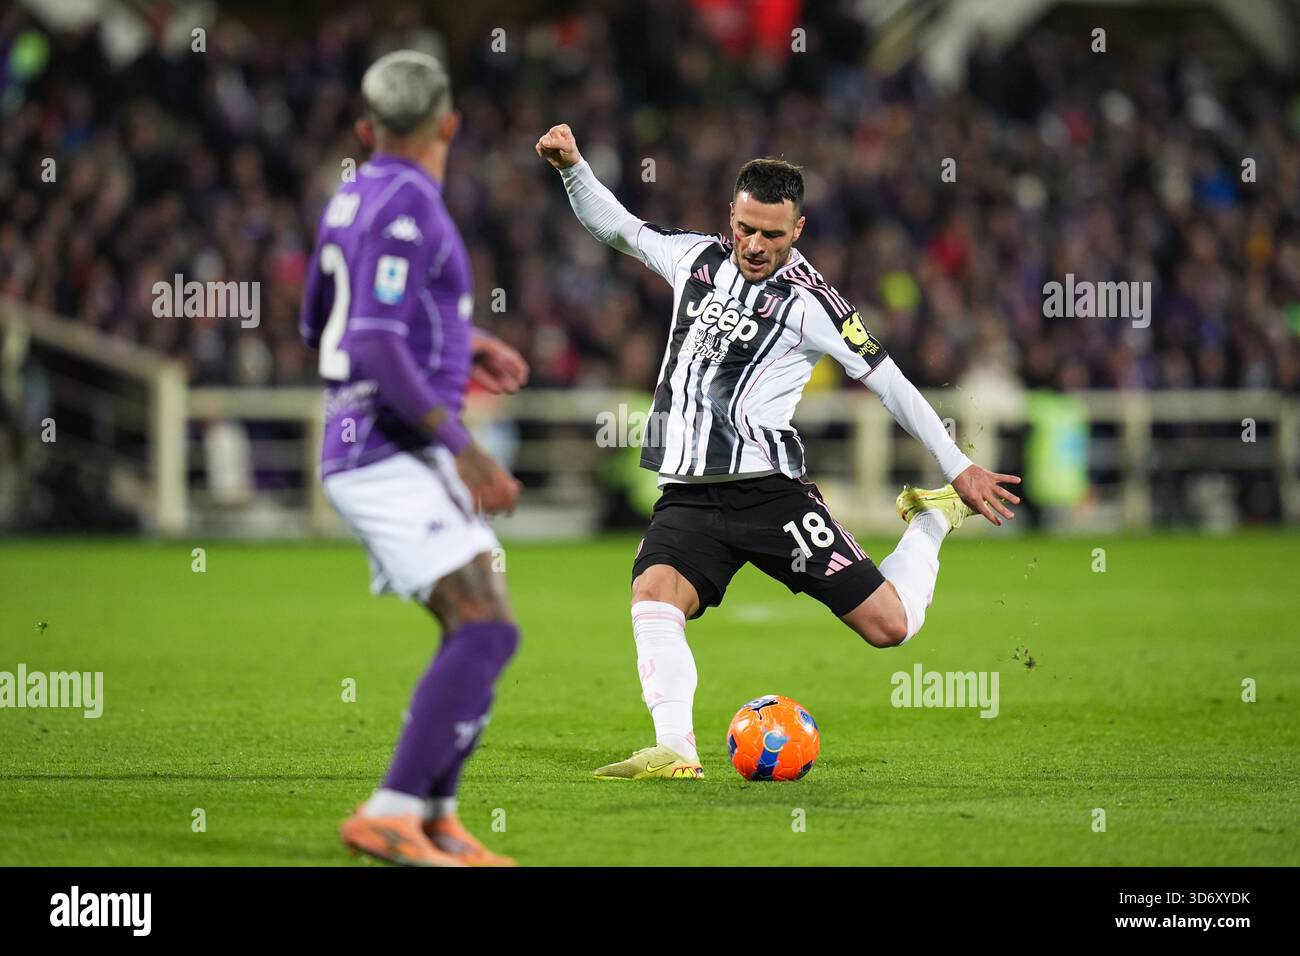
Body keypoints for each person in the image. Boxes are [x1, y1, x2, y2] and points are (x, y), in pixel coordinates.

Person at [537, 123, 1021, 779]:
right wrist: (572, 168)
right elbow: (616, 226)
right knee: (653, 597)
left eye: (772, 233)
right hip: (688, 492)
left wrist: (957, 466)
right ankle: (676, 749)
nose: (755, 245)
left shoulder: (813, 303)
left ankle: (932, 518)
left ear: (798, 229)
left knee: (890, 626)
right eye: (746, 228)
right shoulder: (695, 259)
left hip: (770, 493)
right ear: (730, 217)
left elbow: (891, 383)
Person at [301, 50, 527, 864]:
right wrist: (462, 444)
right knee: (487, 627)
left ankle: (434, 816)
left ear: (365, 128)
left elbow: (322, 325)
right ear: (450, 124)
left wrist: (462, 344)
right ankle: (395, 809)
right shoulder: (414, 205)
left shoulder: (350, 195)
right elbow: (368, 338)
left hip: (367, 439)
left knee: (477, 623)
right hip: (390, 446)